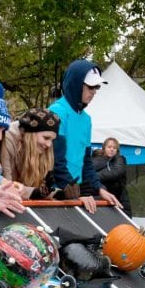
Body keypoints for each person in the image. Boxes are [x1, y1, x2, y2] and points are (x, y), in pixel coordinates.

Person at [48, 60, 121, 213]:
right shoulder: (57, 111)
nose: (94, 91)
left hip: (74, 191)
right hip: (53, 192)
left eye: (97, 87)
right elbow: (55, 161)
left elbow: (87, 162)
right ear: (76, 84)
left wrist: (100, 188)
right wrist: (72, 193)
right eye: (90, 86)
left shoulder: (87, 119)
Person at [0, 108, 60, 200]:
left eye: (52, 140)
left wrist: (60, 193)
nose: (49, 145)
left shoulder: (42, 147)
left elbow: (40, 190)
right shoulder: (7, 139)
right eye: (46, 138)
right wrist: (36, 193)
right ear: (31, 135)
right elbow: (8, 188)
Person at [92, 137, 131, 214]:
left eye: (114, 148)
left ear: (117, 150)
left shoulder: (119, 159)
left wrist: (93, 177)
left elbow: (116, 172)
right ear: (104, 148)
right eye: (109, 147)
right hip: (102, 199)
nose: (112, 149)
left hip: (119, 199)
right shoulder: (96, 160)